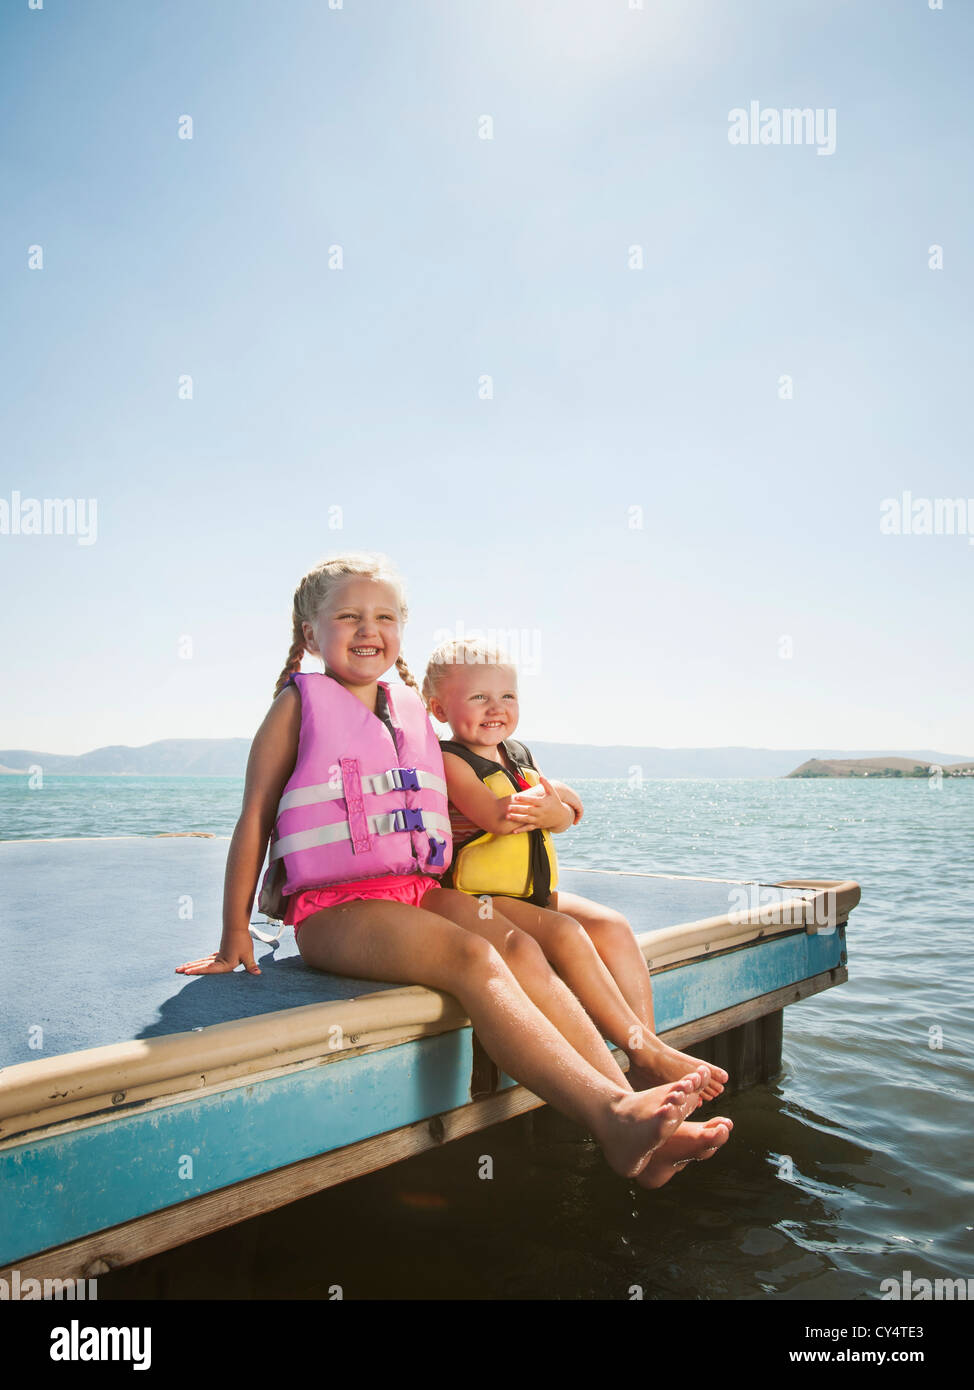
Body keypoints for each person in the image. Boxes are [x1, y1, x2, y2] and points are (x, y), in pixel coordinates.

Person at [176, 553, 731, 1187]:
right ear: (310, 633)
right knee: (474, 959)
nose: (368, 630)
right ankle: (611, 1116)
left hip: (416, 892)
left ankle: (638, 1124)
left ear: (402, 630)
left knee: (521, 945)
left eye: (384, 616)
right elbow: (254, 819)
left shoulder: (411, 711)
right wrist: (233, 935)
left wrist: (557, 810)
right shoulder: (296, 709)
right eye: (348, 616)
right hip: (335, 910)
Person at [422, 637, 730, 1108]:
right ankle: (640, 1052)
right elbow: (498, 816)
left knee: (612, 925)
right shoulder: (449, 760)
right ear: (439, 708)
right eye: (478, 697)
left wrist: (558, 808)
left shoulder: (518, 754)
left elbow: (567, 817)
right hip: (480, 897)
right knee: (565, 934)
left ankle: (646, 1051)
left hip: (531, 891)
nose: (495, 708)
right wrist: (556, 801)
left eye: (507, 696)